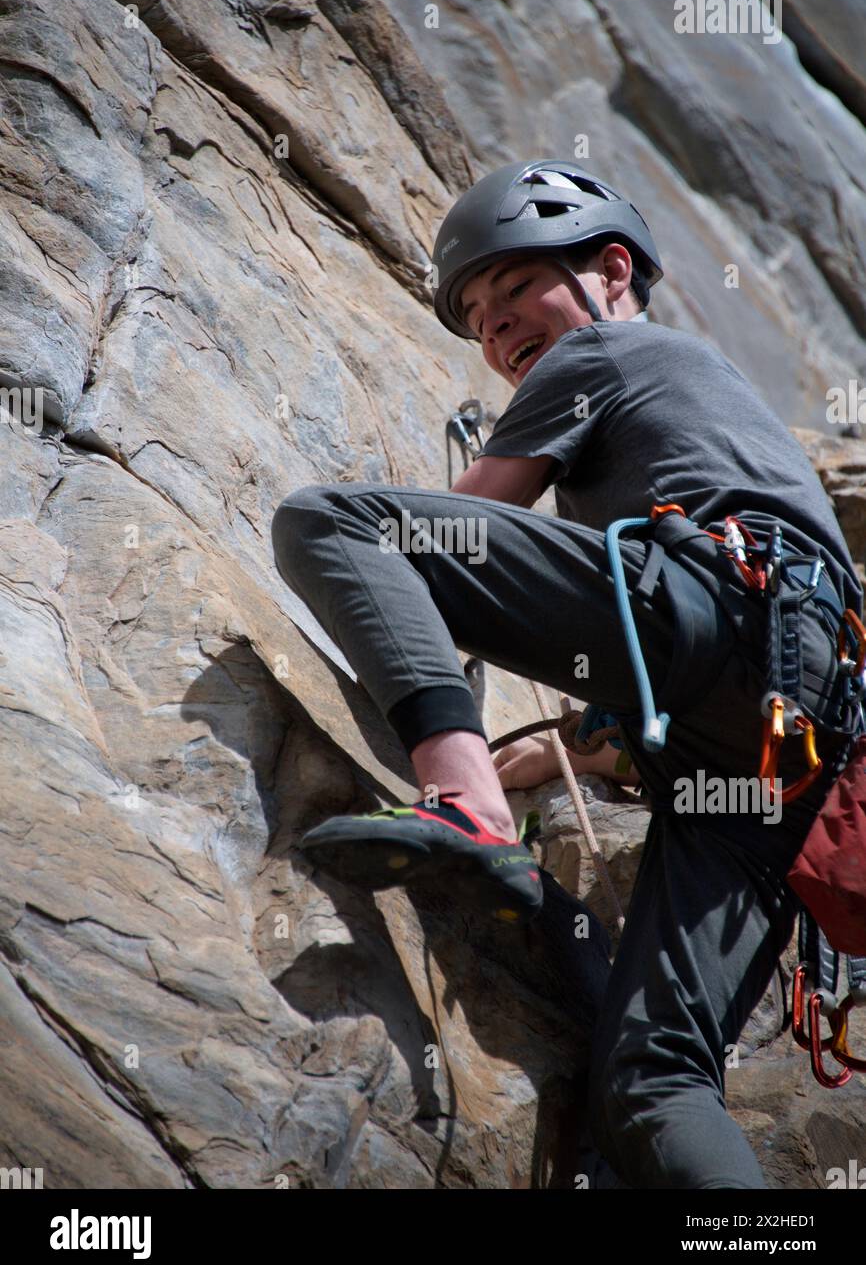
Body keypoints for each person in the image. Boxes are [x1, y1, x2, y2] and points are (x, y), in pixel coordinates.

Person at [270, 159, 862, 1188]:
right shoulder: (697, 411)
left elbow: (438, 526)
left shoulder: (602, 350)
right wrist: (556, 755)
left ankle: (465, 804)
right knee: (651, 1082)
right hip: (784, 736)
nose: (498, 330)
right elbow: (663, 675)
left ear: (610, 270)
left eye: (512, 289)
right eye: (476, 318)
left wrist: (451, 709)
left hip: (724, 613)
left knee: (331, 522)